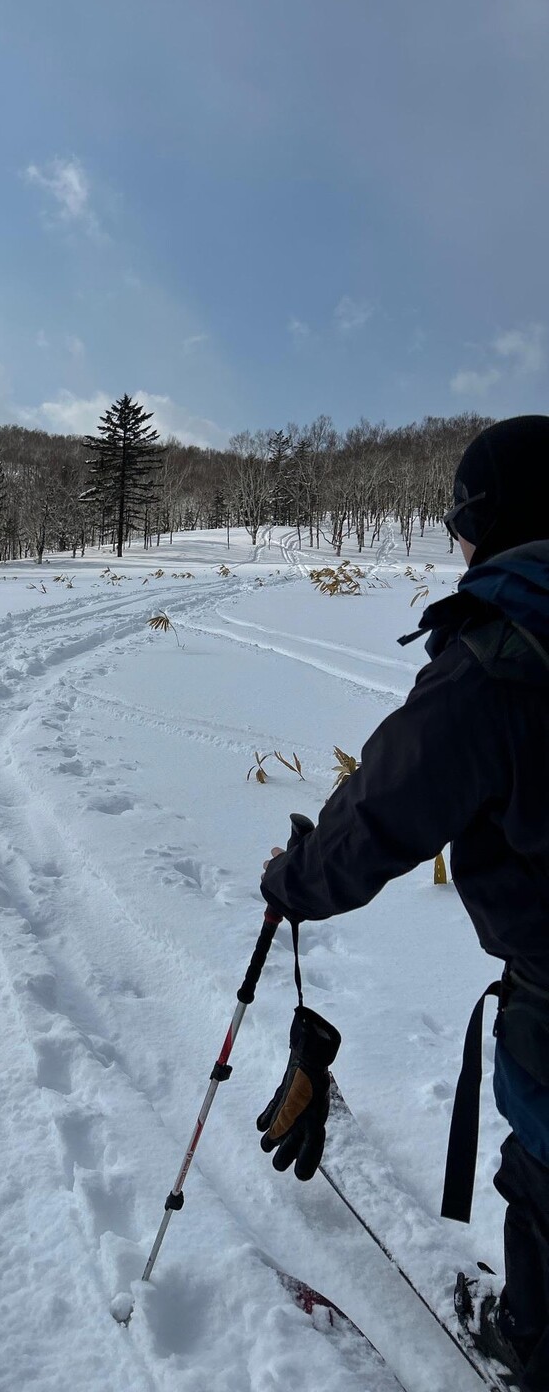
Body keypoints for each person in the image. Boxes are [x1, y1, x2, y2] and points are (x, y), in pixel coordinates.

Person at [258, 415, 549, 1390]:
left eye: (457, 522)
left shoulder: (501, 657)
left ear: (489, 524)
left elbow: (384, 808)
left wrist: (293, 881)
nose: (455, 542)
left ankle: (533, 1347)